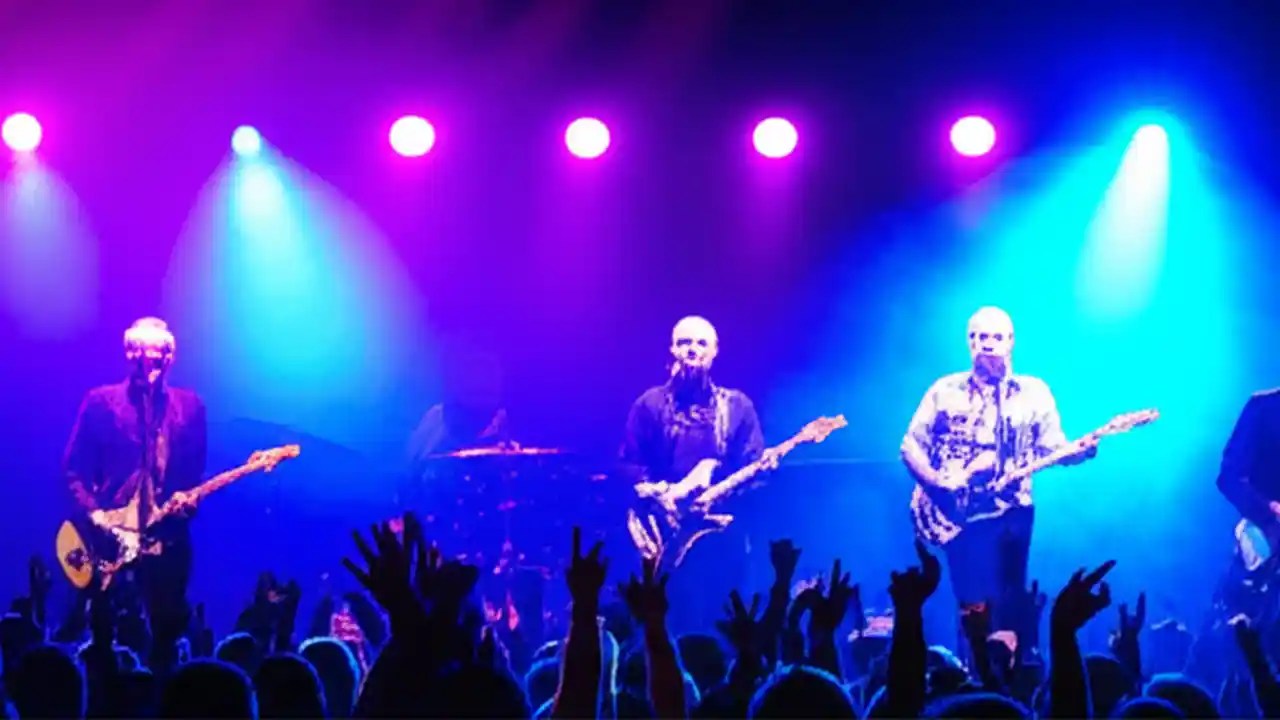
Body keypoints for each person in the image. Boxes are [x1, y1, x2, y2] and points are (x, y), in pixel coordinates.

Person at [901, 306, 1096, 631]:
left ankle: (1008, 672)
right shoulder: (944, 391)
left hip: (1013, 510)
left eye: (995, 337)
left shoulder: (1034, 392)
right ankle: (971, 673)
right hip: (960, 513)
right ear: (969, 342)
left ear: (1011, 341)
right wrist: (938, 485)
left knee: (1010, 603)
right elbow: (909, 446)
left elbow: (1052, 447)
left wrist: (1079, 453)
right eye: (980, 337)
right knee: (970, 603)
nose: (988, 344)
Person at [621, 315, 773, 630]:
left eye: (701, 343)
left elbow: (754, 470)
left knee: (719, 616)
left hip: (718, 537)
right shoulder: (649, 405)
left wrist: (745, 481)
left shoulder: (736, 407)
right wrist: (661, 494)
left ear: (715, 351)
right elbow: (629, 464)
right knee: (668, 619)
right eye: (684, 342)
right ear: (672, 350)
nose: (692, 349)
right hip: (665, 533)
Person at [63, 317, 206, 637]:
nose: (154, 361)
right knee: (103, 630)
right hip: (108, 540)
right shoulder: (101, 402)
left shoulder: (190, 407)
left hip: (165, 540)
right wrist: (96, 514)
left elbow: (194, 474)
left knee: (165, 633)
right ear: (131, 353)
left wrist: (189, 503)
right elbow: (74, 470)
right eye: (146, 353)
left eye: (161, 354)